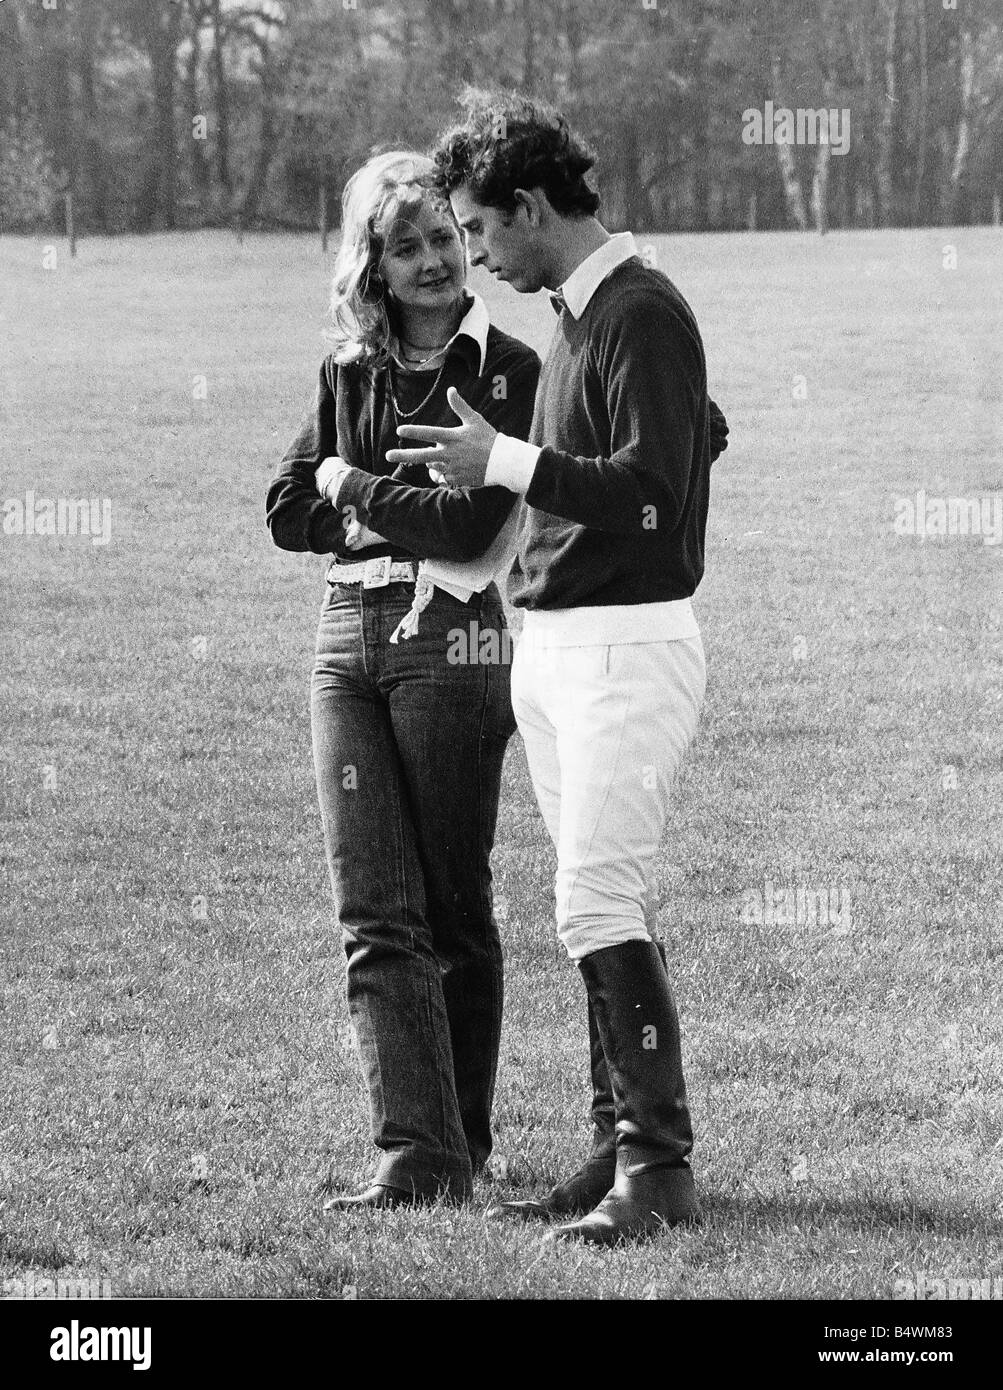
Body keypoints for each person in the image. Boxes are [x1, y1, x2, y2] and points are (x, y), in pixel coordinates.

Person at [386, 95, 729, 1243]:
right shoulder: (584, 316)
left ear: (531, 208)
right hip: (563, 647)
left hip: (628, 647)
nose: (472, 255)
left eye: (481, 230)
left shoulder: (638, 308)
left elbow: (650, 491)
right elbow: (688, 435)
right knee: (590, 906)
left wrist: (510, 457)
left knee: (594, 902)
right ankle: (611, 1151)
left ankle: (657, 1171)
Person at [266, 150, 540, 1208]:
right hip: (345, 638)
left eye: (443, 238)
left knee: (451, 902)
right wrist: (360, 498)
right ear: (371, 264)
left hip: (455, 641)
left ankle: (461, 1143)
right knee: (373, 907)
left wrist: (350, 481)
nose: (432, 260)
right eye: (405, 245)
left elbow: (470, 520)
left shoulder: (506, 366)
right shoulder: (348, 370)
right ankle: (412, 1156)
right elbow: (288, 503)